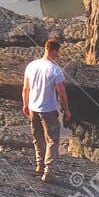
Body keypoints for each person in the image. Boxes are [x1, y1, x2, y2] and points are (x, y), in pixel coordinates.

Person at [22, 38, 70, 183]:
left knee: (38, 137)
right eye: (57, 52)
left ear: (45, 48)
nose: (57, 55)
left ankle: (39, 165)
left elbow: (25, 88)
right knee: (53, 140)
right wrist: (66, 110)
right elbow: (61, 93)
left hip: (33, 108)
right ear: (54, 51)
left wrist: (25, 104)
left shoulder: (31, 65)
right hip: (48, 109)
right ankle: (48, 172)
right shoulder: (55, 70)